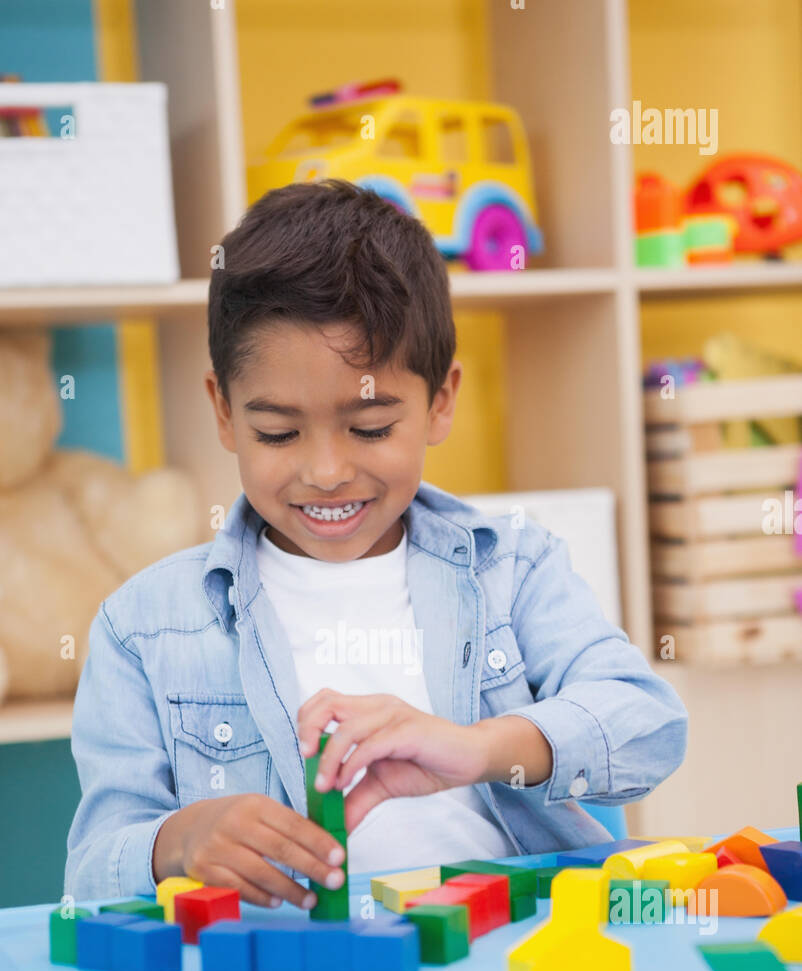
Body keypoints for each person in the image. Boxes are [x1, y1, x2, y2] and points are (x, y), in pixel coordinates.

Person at [65, 180, 687, 909]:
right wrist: (179, 838)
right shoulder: (143, 626)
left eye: (369, 429)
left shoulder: (513, 568)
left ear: (441, 401)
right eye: (277, 432)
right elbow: (88, 876)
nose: (326, 473)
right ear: (224, 413)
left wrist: (479, 748)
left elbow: (649, 725)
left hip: (512, 955)